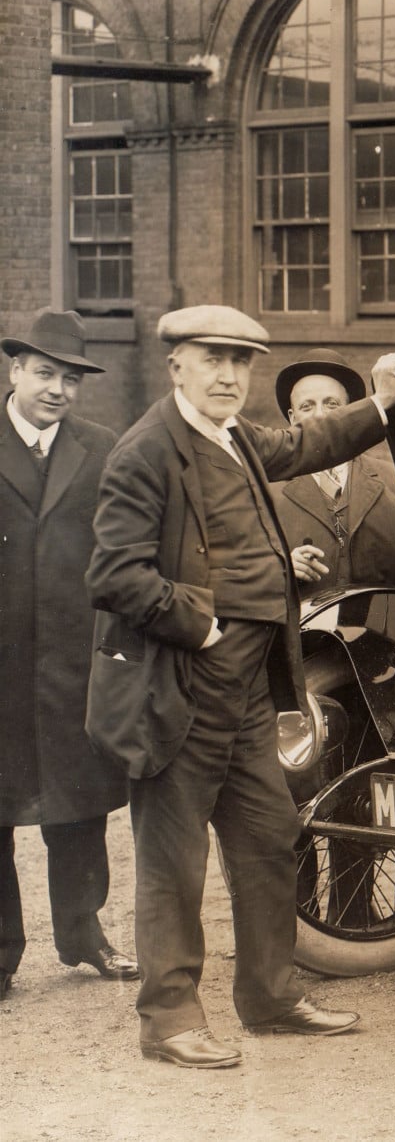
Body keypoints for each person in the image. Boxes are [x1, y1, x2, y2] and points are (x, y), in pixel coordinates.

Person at [84, 305, 395, 1068]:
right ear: (176, 366)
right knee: (173, 862)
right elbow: (115, 575)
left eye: (240, 361)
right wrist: (202, 626)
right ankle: (168, 1019)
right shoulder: (145, 453)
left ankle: (269, 997)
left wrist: (384, 402)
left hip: (248, 694)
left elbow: (307, 442)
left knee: (270, 839)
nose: (229, 375)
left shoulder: (234, 436)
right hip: (180, 688)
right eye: (213, 359)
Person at [0, 310, 139, 1003]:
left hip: (74, 661)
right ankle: (0, 953)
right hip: (1, 666)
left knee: (80, 803)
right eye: (45, 373)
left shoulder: (100, 447)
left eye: (70, 379)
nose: (57, 389)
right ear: (15, 370)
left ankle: (83, 932)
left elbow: (121, 547)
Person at [272, 348, 395, 599]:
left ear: (351, 412)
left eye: (332, 404)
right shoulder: (266, 490)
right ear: (292, 417)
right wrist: (279, 568)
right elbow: (237, 570)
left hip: (387, 623)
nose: (320, 415)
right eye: (307, 407)